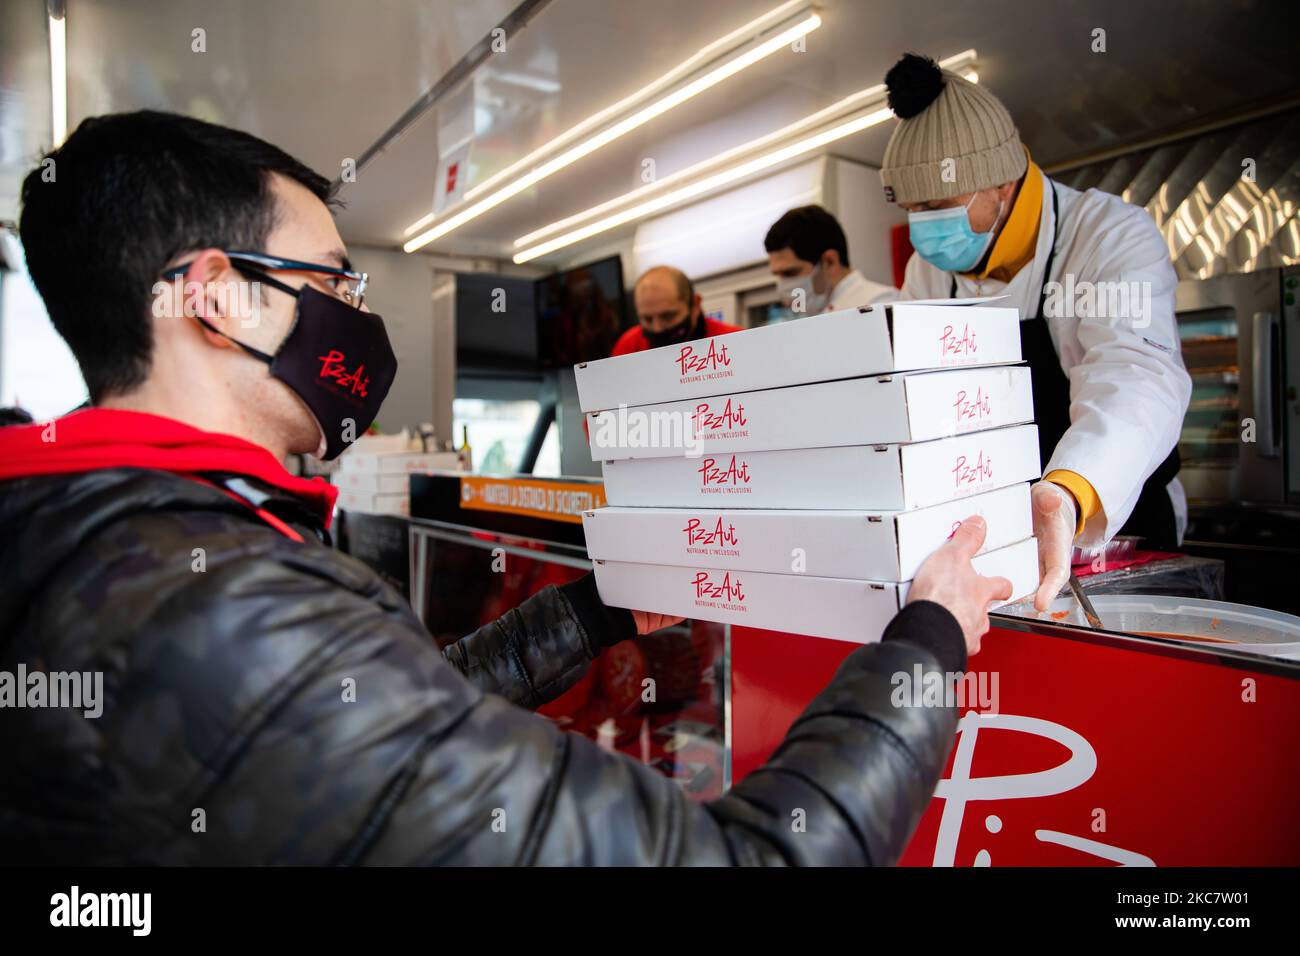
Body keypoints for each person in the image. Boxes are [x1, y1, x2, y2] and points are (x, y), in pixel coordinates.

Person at [0, 110, 1011, 866]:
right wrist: (926, 641)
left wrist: (601, 601)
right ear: (215, 296)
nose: (355, 315)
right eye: (334, 282)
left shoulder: (107, 531)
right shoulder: (221, 604)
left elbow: (379, 726)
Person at [878, 53, 1193, 611]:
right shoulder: (930, 271)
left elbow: (1136, 373)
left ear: (1002, 184)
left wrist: (1070, 490)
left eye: (939, 205)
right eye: (914, 208)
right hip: (988, 533)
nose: (924, 226)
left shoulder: (1107, 236)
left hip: (1114, 524)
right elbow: (913, 391)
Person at [764, 204, 897, 314]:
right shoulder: (813, 312)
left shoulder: (880, 303)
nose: (783, 285)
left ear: (829, 262)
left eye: (790, 273)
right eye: (778, 275)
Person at [611, 264, 740, 356]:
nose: (657, 328)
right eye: (647, 319)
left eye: (668, 316)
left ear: (695, 305)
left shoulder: (733, 342)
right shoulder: (628, 347)